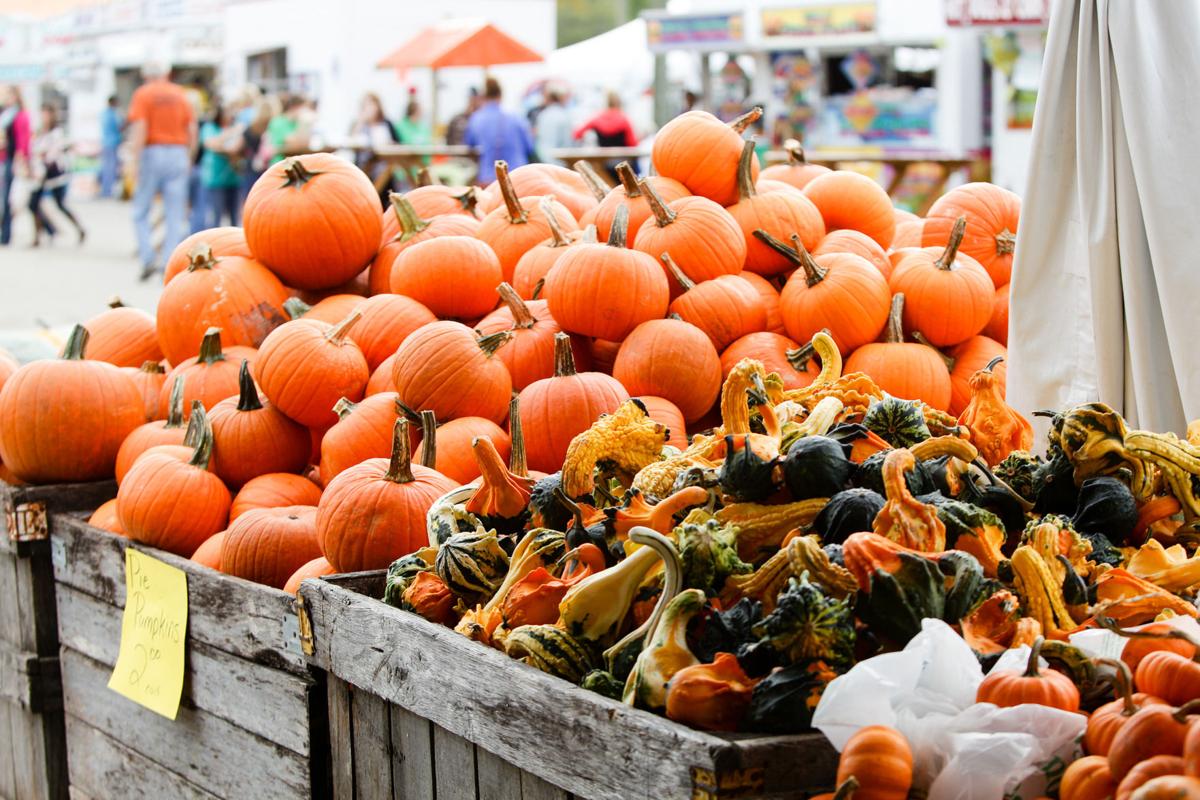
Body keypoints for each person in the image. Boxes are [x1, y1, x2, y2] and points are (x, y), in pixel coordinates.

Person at [127, 61, 195, 280]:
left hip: (152, 151)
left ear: (146, 75)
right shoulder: (180, 94)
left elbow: (140, 128)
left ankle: (147, 257)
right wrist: (189, 156)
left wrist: (134, 161)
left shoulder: (143, 94)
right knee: (175, 212)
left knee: (140, 209)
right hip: (178, 152)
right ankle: (169, 262)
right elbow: (191, 128)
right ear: (166, 73)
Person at [28, 103, 85, 246]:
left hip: (53, 173)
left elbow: (57, 150)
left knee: (59, 204)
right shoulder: (41, 131)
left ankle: (79, 229)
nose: (44, 117)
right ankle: (40, 236)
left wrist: (46, 154)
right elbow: (35, 148)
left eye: (47, 114)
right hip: (41, 172)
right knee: (33, 203)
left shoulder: (56, 132)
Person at [464, 77, 535, 185]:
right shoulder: (516, 117)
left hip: (488, 178)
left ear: (484, 96)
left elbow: (470, 143)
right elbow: (529, 146)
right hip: (518, 177)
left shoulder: (477, 118)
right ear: (501, 95)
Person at [573, 91, 638, 180]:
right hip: (624, 164)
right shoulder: (624, 118)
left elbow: (577, 134)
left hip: (603, 163)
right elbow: (632, 143)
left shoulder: (596, 117)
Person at [199, 104, 243, 226]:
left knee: (234, 216)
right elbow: (211, 144)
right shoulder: (210, 128)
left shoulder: (236, 127)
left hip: (234, 177)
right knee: (215, 215)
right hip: (215, 178)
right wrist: (229, 137)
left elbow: (239, 147)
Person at [0, 85, 31, 246]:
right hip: (4, 159)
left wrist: (21, 157)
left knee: (8, 199)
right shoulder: (4, 114)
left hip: (12, 161)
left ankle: (5, 235)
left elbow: (23, 138)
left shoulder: (19, 115)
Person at [263, 95, 310, 166]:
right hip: (280, 165)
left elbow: (305, 143)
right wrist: (303, 122)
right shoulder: (278, 122)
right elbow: (295, 143)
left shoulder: (296, 122)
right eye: (304, 108)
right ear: (295, 107)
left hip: (294, 164)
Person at [534, 88, 571, 165]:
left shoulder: (543, 114)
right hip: (561, 161)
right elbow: (568, 142)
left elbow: (539, 138)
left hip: (544, 158)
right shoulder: (564, 115)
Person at [99, 95, 123, 198]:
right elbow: (120, 127)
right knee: (111, 168)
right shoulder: (113, 114)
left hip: (105, 143)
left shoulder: (103, 114)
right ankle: (108, 191)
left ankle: (105, 190)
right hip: (112, 143)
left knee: (106, 167)